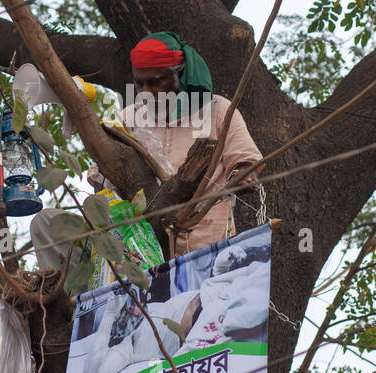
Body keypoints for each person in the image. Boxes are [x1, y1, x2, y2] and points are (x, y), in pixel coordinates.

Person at [30, 30, 264, 269]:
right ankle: (75, 302)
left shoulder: (218, 110)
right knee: (46, 223)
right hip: (135, 250)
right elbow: (100, 176)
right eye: (140, 83)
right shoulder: (129, 117)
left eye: (156, 81)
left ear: (180, 74)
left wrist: (242, 177)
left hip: (204, 255)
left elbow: (246, 161)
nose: (146, 91)